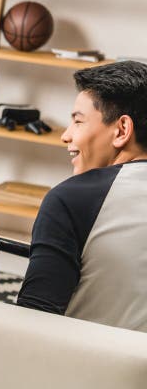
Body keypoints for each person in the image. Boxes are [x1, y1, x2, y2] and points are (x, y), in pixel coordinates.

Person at [17, 60, 147, 332]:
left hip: (85, 370)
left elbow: (31, 323)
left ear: (122, 130)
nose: (66, 135)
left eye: (78, 121)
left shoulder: (69, 200)